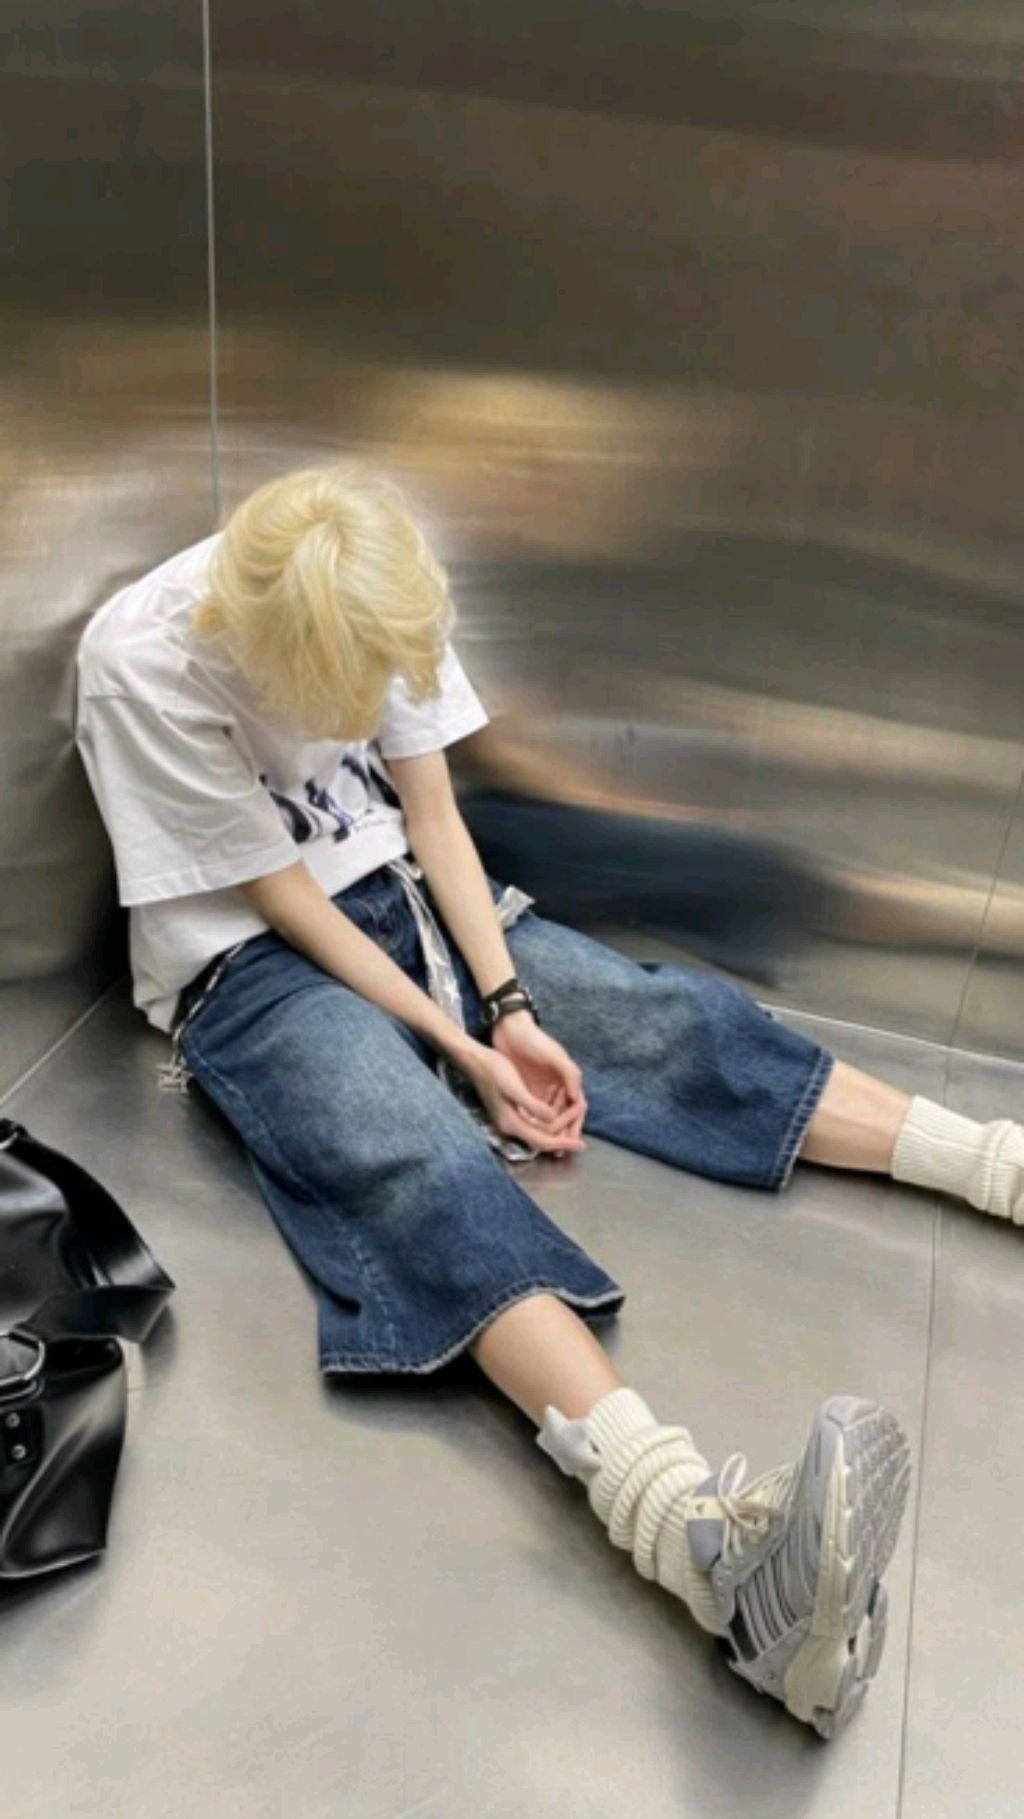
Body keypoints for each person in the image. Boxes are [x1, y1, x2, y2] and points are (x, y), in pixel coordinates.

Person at [75, 463, 1022, 1742]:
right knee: (411, 1161)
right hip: (246, 963)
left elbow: (431, 812)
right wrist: (453, 1049)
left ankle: (993, 1162)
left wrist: (508, 1004)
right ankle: (709, 1558)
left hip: (406, 895)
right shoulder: (142, 663)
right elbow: (282, 899)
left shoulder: (377, 576)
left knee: (656, 1018)